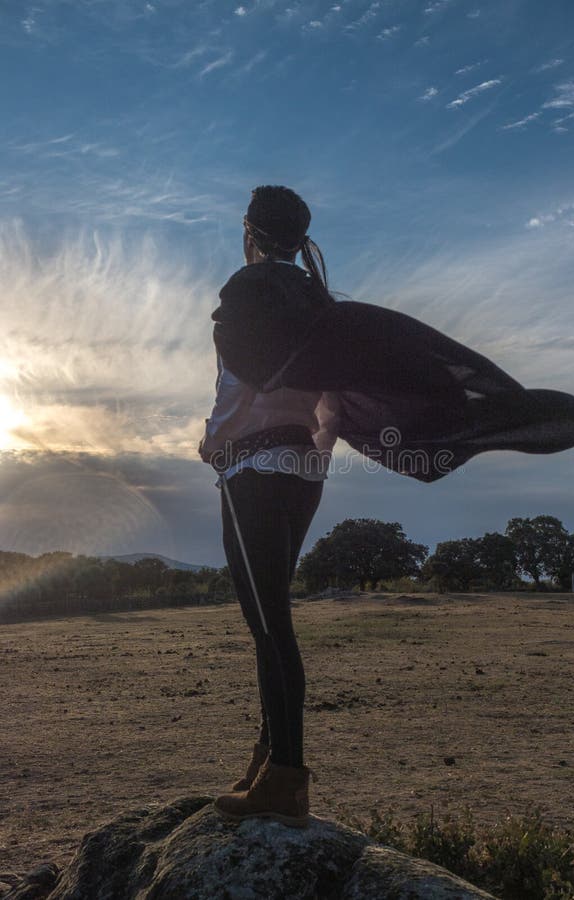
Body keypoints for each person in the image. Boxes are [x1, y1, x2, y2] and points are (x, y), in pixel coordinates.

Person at [199, 185, 340, 828]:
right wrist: (318, 452)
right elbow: (334, 399)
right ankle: (268, 757)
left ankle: (285, 778)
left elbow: (237, 383)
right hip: (303, 474)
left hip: (252, 473)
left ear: (250, 233)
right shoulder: (317, 299)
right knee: (270, 623)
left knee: (271, 628)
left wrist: (213, 441)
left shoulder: (250, 290)